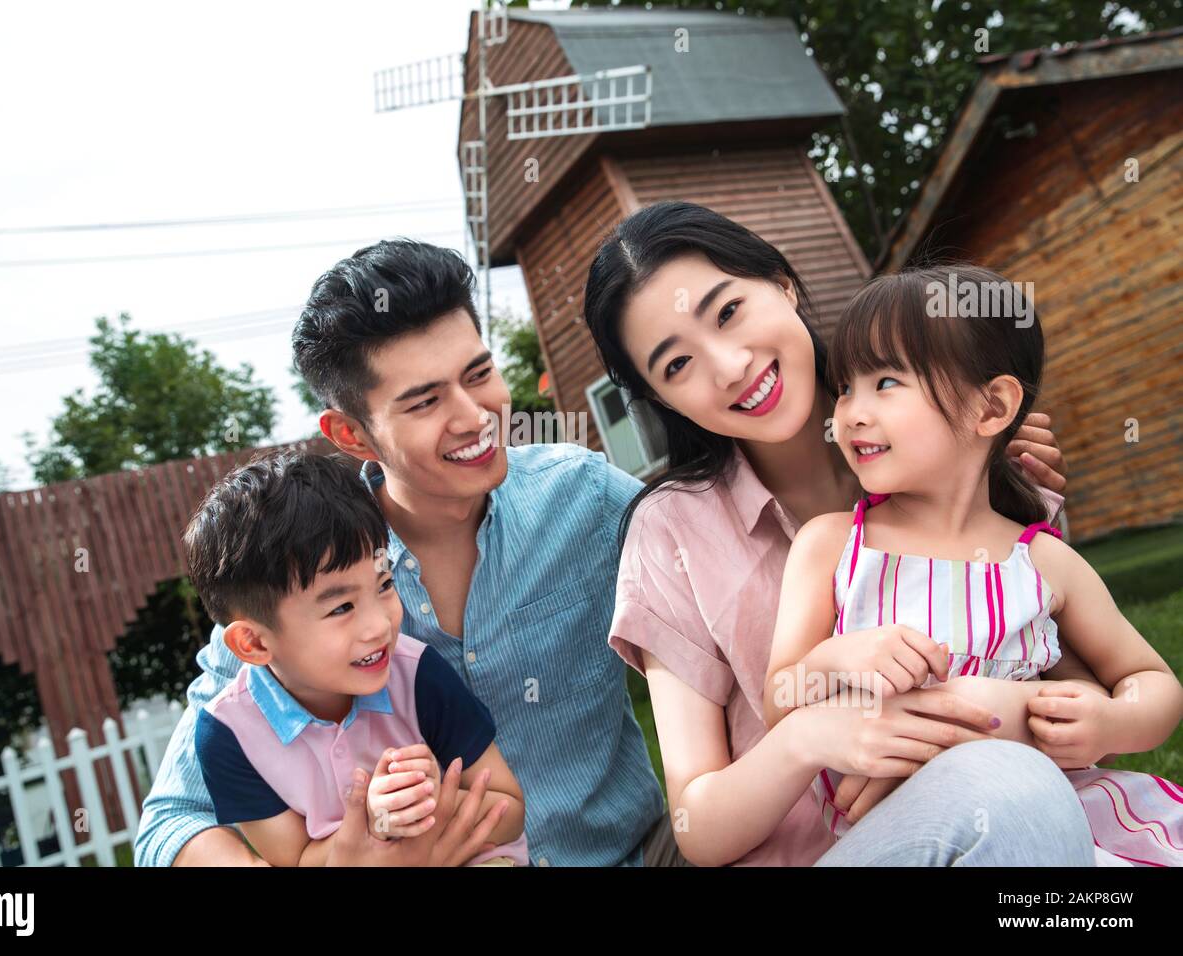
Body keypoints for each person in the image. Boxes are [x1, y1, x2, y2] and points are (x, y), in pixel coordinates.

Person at [583, 201, 1099, 866]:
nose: (730, 365)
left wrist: (970, 712)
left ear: (781, 281)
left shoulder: (961, 452)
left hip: (1006, 833)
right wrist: (810, 737)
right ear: (660, 399)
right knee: (1013, 787)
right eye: (676, 365)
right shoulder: (672, 532)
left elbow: (1099, 720)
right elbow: (698, 822)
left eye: (728, 312)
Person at [135, 239, 667, 867]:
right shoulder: (296, 578)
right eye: (424, 401)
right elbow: (168, 826)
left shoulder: (587, 497)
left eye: (478, 375)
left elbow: (725, 602)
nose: (476, 417)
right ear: (351, 434)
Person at [764, 265, 1183, 866]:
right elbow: (779, 698)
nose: (851, 412)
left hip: (1063, 816)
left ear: (991, 407)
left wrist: (1114, 722)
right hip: (910, 836)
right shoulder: (834, 546)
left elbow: (1154, 680)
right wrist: (831, 659)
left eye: (885, 382)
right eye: (846, 386)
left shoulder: (1042, 561)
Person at [184, 450, 527, 866]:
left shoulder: (417, 674)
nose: (379, 626)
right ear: (253, 644)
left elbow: (508, 809)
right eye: (341, 608)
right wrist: (375, 821)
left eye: (384, 584)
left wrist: (429, 801)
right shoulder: (228, 736)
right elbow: (297, 860)